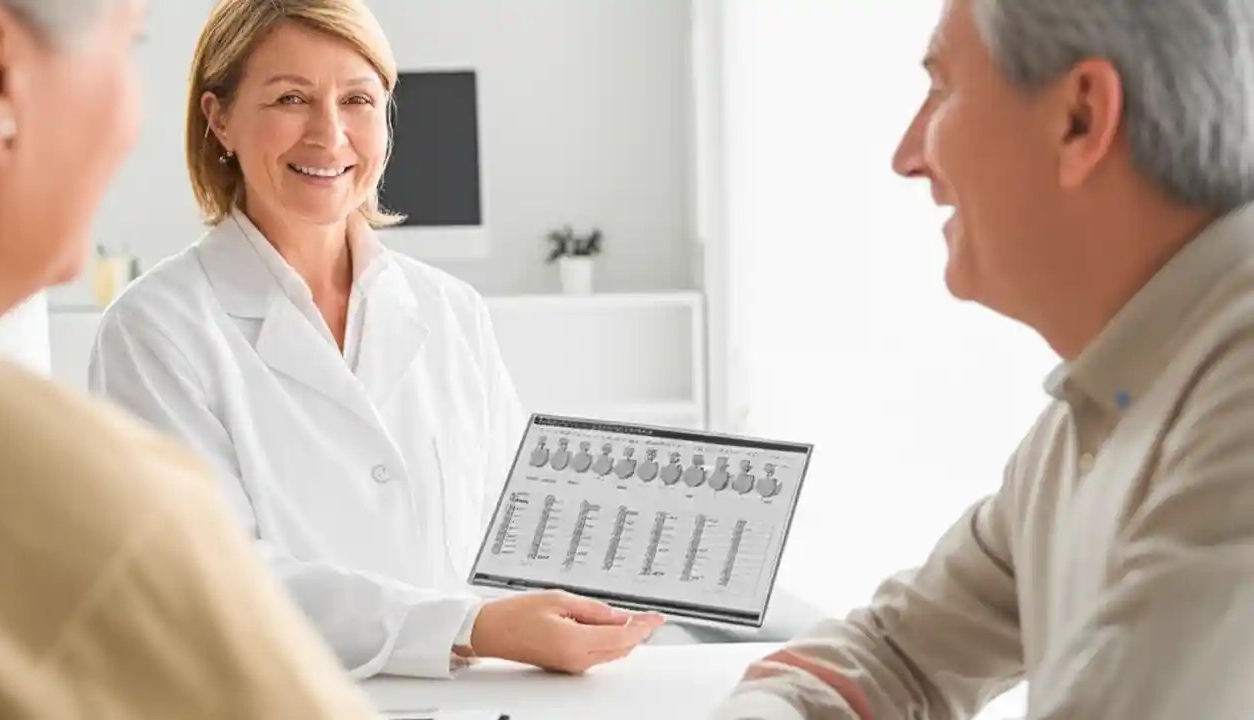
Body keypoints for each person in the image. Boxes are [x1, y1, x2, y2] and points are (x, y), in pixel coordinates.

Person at [89, 0, 663, 681]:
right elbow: (211, 580)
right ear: (220, 119)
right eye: (291, 98)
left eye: (358, 99)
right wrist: (469, 628)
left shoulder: (451, 312)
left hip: (469, 701)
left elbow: (513, 535)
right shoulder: (155, 328)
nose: (329, 136)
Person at [712, 0, 1254, 718]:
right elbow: (894, 654)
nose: (908, 155)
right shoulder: (1097, 416)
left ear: (1080, 119)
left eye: (941, 87)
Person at [0, 0, 379, 716]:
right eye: (129, 45)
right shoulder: (30, 459)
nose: (132, 121)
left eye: (358, 99)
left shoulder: (446, 311)